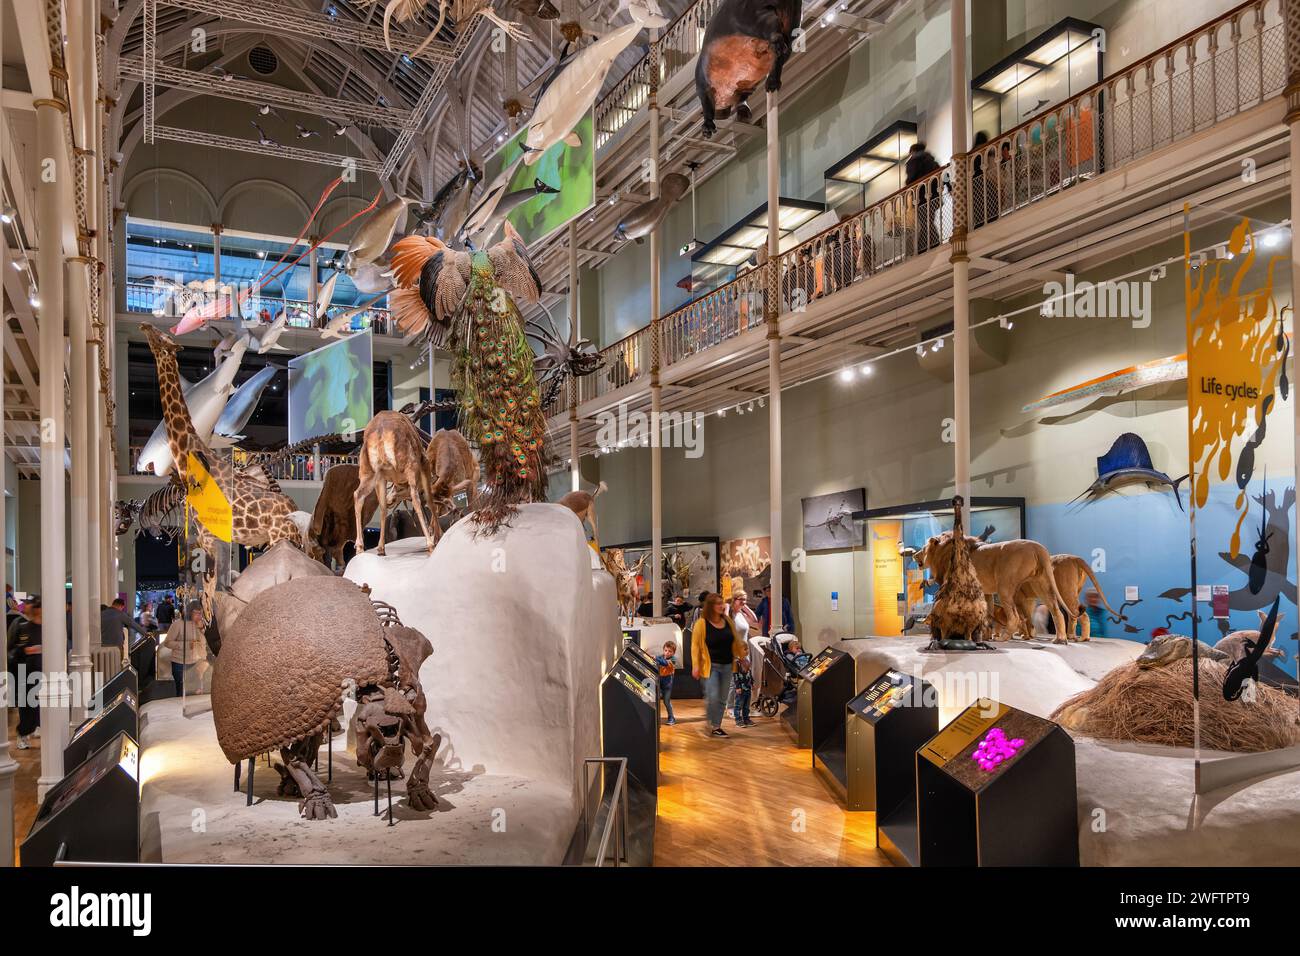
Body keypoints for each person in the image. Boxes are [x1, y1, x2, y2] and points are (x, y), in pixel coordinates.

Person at [690, 592, 748, 738]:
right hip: (711, 666)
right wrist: (695, 665)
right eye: (718, 603)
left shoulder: (728, 621)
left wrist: (743, 657)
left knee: (722, 698)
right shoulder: (701, 624)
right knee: (713, 696)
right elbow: (695, 646)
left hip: (728, 665)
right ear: (710, 606)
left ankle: (716, 726)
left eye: (722, 603)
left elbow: (736, 640)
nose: (722, 606)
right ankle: (711, 720)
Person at [8, 598, 42, 749]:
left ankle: (33, 728)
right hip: (25, 671)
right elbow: (13, 649)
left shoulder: (47, 628)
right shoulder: (21, 626)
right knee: (27, 704)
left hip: (41, 672)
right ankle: (23, 732)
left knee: (36, 705)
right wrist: (27, 650)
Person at [162, 601, 209, 697]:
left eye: (201, 613)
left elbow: (204, 643)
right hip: (180, 663)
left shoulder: (201, 625)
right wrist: (186, 645)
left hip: (196, 662)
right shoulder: (178, 625)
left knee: (195, 692)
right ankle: (178, 711)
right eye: (197, 613)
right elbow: (167, 642)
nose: (199, 616)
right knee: (182, 691)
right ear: (189, 612)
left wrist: (201, 629)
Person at [655, 640, 677, 726]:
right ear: (663, 650)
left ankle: (671, 717)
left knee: (666, 702)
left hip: (668, 684)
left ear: (673, 653)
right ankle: (656, 717)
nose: (667, 653)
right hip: (659, 682)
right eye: (666, 650)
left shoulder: (673, 660)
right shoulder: (661, 657)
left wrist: (656, 658)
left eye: (670, 651)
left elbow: (665, 663)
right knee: (656, 698)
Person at [732, 657, 754, 727]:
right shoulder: (736, 663)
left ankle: (746, 719)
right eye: (744, 649)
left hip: (748, 689)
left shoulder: (746, 661)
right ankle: (738, 720)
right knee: (738, 705)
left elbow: (750, 675)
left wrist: (752, 684)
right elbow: (735, 677)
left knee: (746, 706)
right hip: (740, 690)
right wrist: (738, 687)